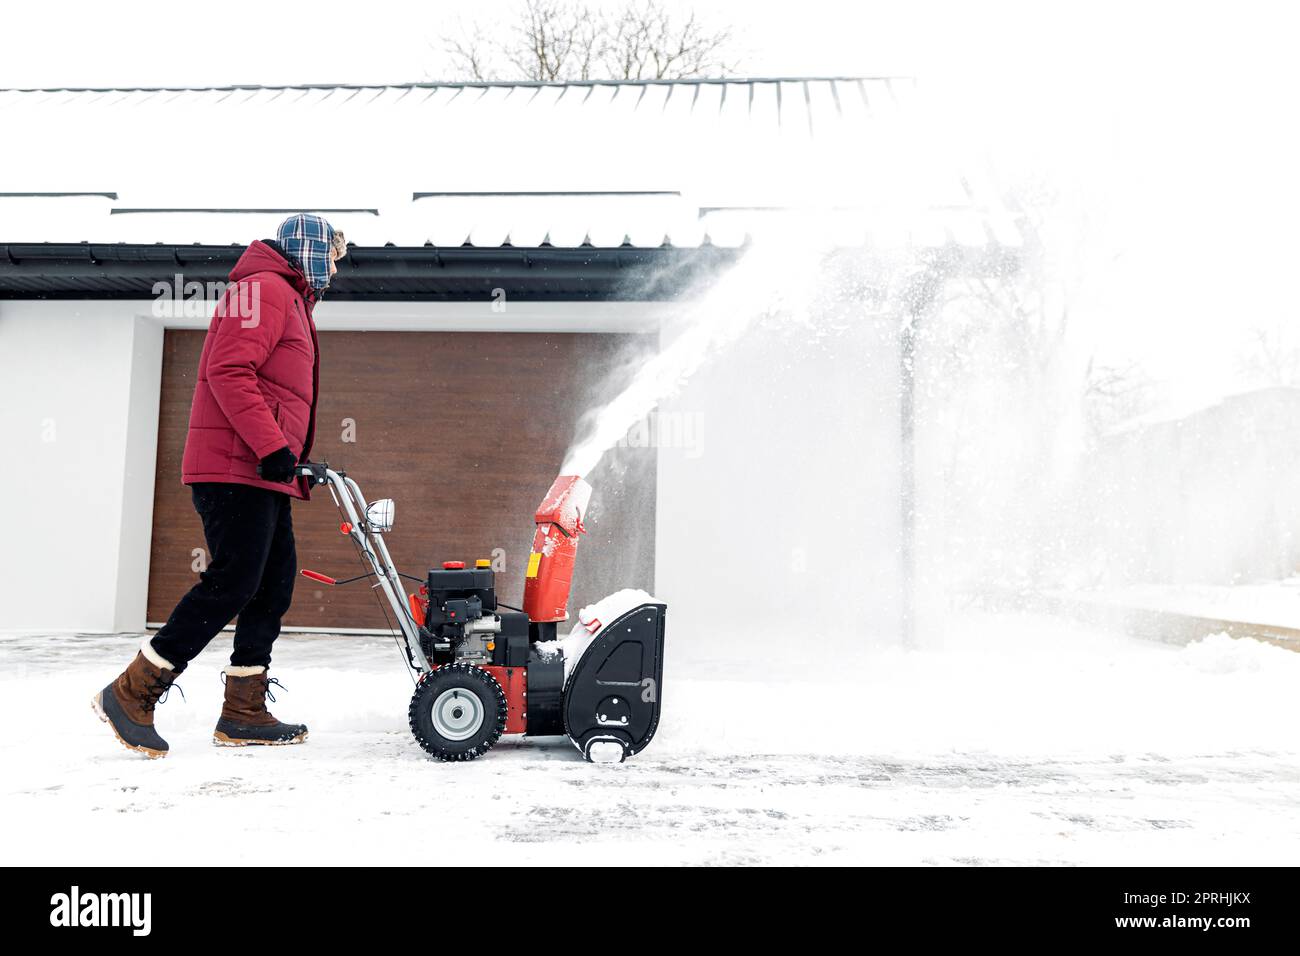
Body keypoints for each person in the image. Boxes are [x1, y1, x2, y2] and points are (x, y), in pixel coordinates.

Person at [92, 213, 346, 758]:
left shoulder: (289, 298)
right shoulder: (263, 290)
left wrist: (285, 456)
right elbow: (230, 371)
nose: (334, 268)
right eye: (332, 255)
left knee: (272, 586)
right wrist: (272, 446)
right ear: (308, 250)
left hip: (261, 472)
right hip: (234, 466)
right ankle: (133, 691)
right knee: (234, 580)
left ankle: (243, 711)